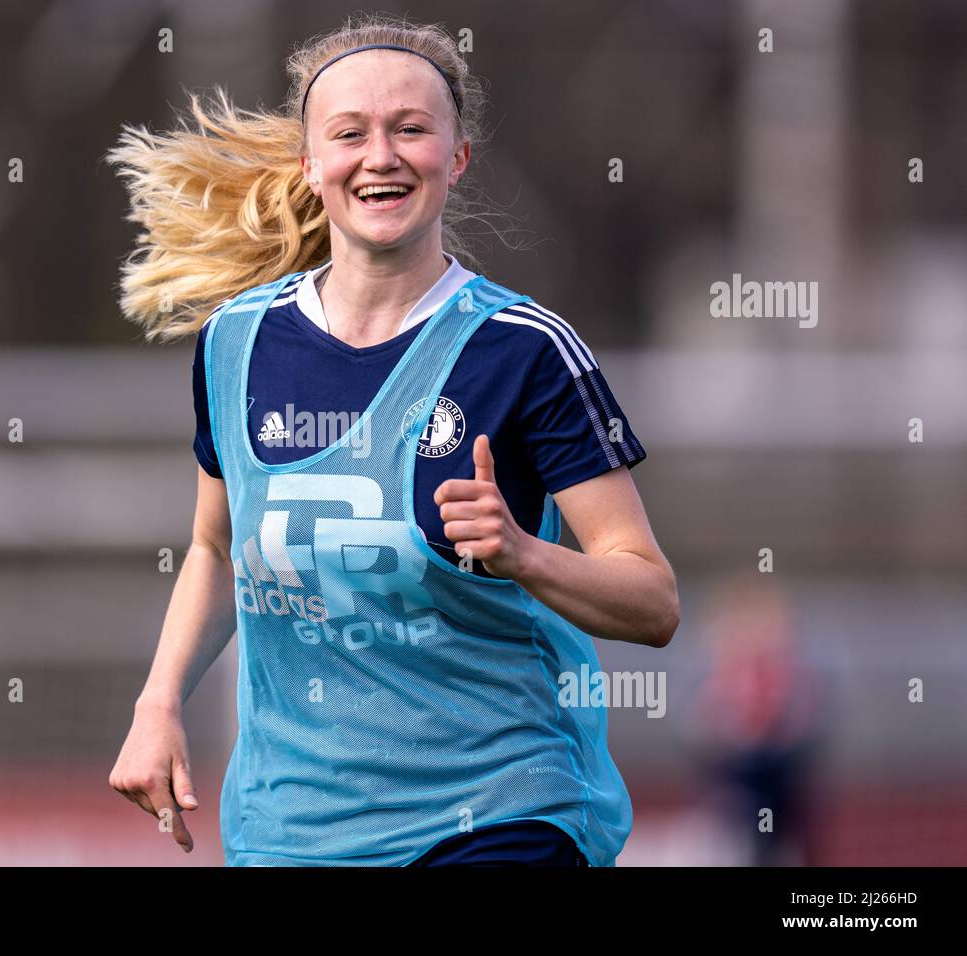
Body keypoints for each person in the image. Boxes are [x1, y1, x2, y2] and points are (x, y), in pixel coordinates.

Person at [107, 13, 679, 867]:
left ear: (457, 159)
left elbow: (654, 601)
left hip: (498, 814)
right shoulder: (236, 342)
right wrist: (158, 705)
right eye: (351, 134)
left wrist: (526, 553)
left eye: (411, 129)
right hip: (291, 831)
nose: (382, 155)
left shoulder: (523, 350)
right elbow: (215, 548)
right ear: (311, 165)